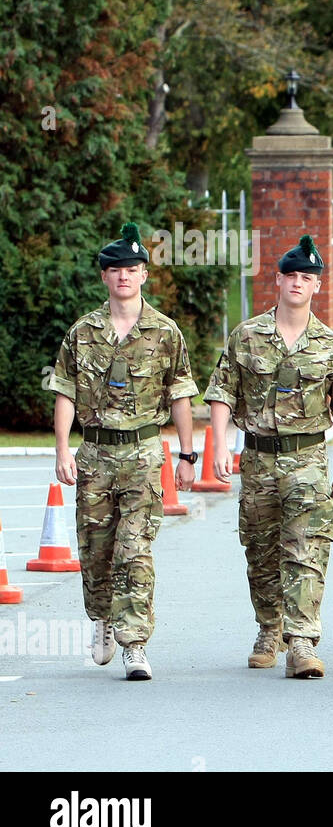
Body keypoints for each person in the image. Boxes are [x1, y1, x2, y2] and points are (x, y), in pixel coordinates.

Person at [204, 234, 333, 679]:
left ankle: (303, 642)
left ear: (317, 287)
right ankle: (269, 627)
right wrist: (219, 447)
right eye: (290, 276)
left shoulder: (330, 344)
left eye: (306, 278)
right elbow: (221, 393)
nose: (297, 283)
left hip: (308, 458)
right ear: (277, 281)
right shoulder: (248, 335)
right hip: (257, 460)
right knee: (260, 548)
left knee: (306, 547)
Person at [48, 222, 198, 681]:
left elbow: (181, 396)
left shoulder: (165, 332)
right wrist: (62, 450)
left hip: (143, 455)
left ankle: (136, 644)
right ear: (104, 277)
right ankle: (102, 619)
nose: (124, 277)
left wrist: (187, 455)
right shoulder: (83, 332)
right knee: (96, 552)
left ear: (144, 276)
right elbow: (65, 392)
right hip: (94, 455)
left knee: (134, 551)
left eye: (132, 269)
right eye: (116, 270)